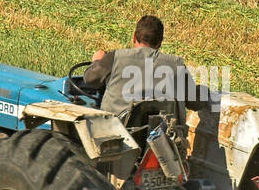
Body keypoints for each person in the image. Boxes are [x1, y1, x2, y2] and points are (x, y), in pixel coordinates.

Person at [83, 15, 214, 121]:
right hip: (162, 144)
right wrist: (205, 90)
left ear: (134, 36)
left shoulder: (115, 58)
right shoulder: (176, 65)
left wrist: (97, 61)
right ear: (160, 42)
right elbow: (196, 102)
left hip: (116, 138)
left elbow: (89, 79)